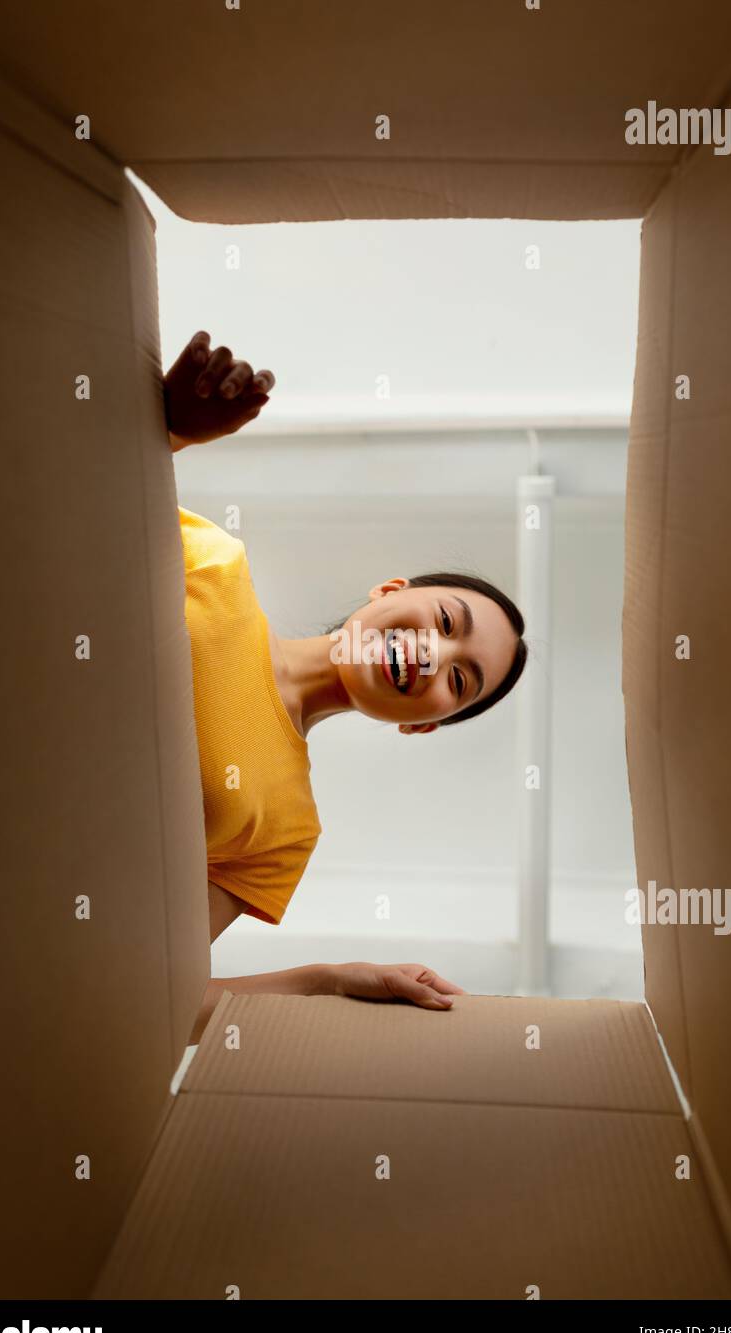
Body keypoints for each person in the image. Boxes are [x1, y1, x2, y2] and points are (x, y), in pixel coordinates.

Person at [164, 331, 528, 1042]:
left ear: (422, 724)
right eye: (445, 619)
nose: (432, 652)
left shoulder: (288, 833)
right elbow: (58, 521)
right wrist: (169, 431)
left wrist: (328, 979)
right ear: (389, 591)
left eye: (459, 679)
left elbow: (155, 995)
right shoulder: (213, 561)